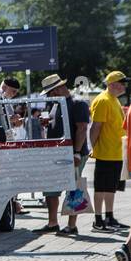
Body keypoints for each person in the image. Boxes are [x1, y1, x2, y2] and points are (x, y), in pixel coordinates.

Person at [35, 75, 90, 236]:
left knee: (74, 188)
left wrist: (77, 153)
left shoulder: (78, 103)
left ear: (58, 89)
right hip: (56, 151)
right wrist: (46, 123)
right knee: (51, 188)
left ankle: (72, 225)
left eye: (50, 93)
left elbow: (82, 129)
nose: (49, 96)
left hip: (73, 152)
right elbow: (55, 123)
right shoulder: (55, 103)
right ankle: (53, 223)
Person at [87, 71, 128, 233]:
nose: (124, 85)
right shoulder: (103, 100)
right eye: (121, 82)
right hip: (105, 152)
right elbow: (95, 127)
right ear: (112, 84)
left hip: (117, 152)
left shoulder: (114, 100)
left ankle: (109, 217)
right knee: (101, 187)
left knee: (111, 187)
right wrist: (94, 148)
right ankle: (98, 220)